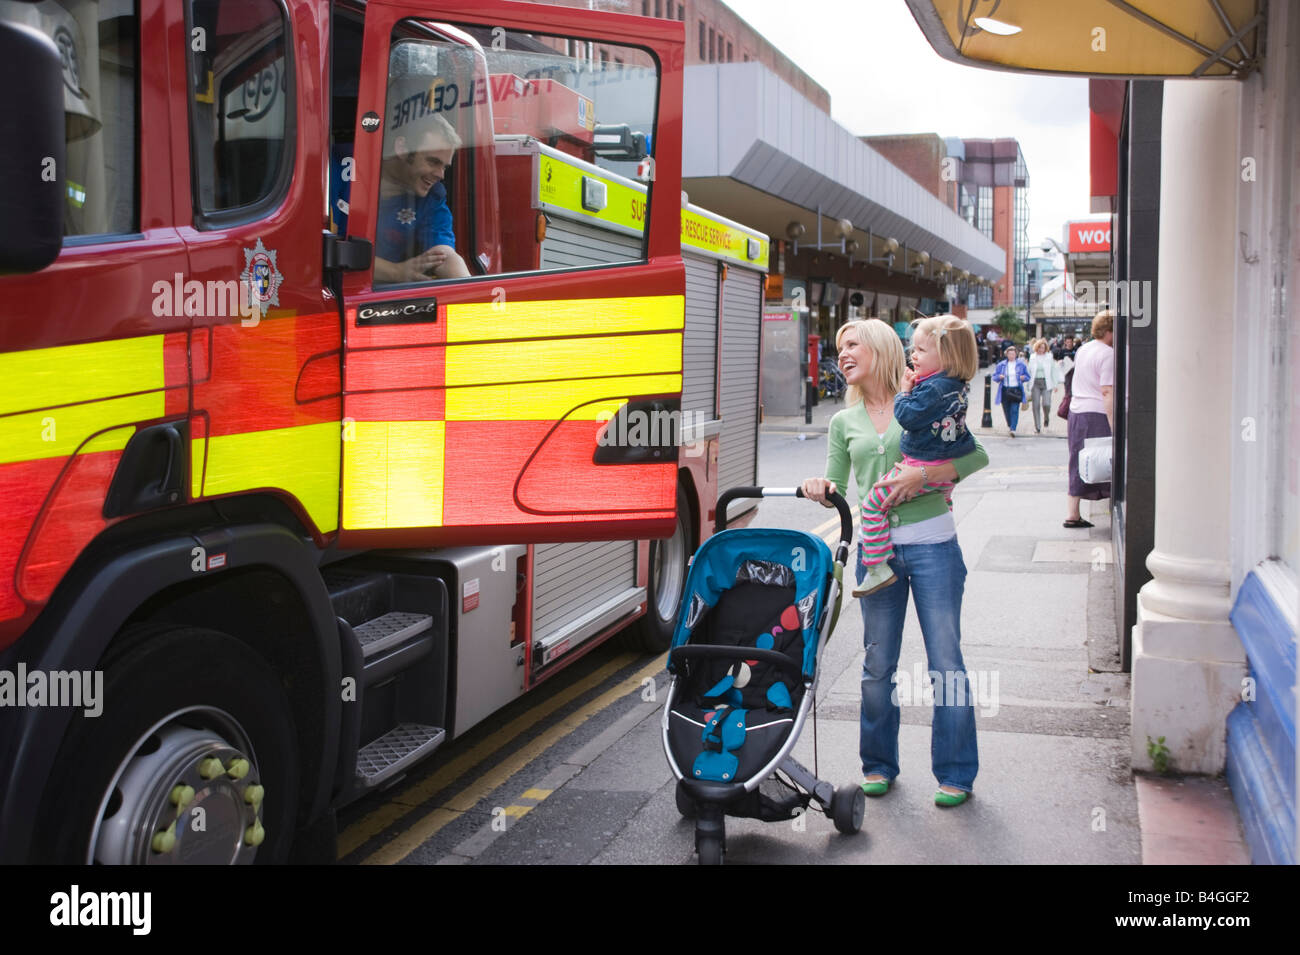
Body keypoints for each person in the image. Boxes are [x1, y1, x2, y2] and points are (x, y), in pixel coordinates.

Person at [801, 319, 988, 808]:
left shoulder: (928, 398)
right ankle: (878, 766)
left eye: (851, 344)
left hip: (934, 548)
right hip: (876, 553)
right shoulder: (845, 422)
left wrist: (925, 473)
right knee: (877, 665)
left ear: (880, 349)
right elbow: (836, 486)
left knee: (946, 663)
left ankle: (955, 774)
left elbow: (975, 456)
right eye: (839, 347)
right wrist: (819, 489)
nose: (842, 354)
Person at [852, 315, 978, 598]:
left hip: (922, 463)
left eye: (921, 350)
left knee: (872, 504)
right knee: (943, 496)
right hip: (944, 467)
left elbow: (908, 416)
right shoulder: (955, 385)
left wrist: (905, 392)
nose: (913, 354)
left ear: (945, 355)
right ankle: (944, 499)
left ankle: (877, 567)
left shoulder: (930, 389)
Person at [374, 107, 471, 283]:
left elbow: (443, 256)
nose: (440, 175)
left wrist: (472, 298)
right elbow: (321, 251)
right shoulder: (344, 169)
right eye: (433, 161)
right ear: (402, 148)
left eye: (444, 167)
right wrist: (395, 272)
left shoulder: (432, 197)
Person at [1065, 311, 1115, 528]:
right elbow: (1106, 391)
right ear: (1110, 330)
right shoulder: (1108, 354)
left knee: (1078, 459)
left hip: (1076, 412)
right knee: (1103, 460)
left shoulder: (1083, 349)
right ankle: (1073, 514)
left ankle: (1073, 513)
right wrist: (1113, 423)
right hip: (1095, 413)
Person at [991, 345, 1031, 437]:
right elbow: (994, 377)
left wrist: (1023, 377)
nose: (1011, 355)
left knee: (1014, 409)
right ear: (1007, 355)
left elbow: (1027, 376)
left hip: (1016, 390)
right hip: (1005, 389)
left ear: (1016, 354)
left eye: (1013, 354)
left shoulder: (1021, 364)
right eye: (1010, 354)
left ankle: (1013, 429)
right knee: (1006, 409)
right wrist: (999, 377)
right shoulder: (1002, 365)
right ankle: (1010, 424)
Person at [1025, 338, 1062, 433]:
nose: (1042, 349)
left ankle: (1046, 418)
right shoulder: (1032, 357)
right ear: (1036, 348)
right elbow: (1029, 371)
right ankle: (1037, 426)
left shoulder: (1049, 357)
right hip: (1035, 383)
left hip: (1046, 383)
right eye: (1040, 348)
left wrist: (1055, 384)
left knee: (1046, 404)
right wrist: (1027, 385)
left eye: (1043, 348)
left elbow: (1054, 371)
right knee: (1035, 405)